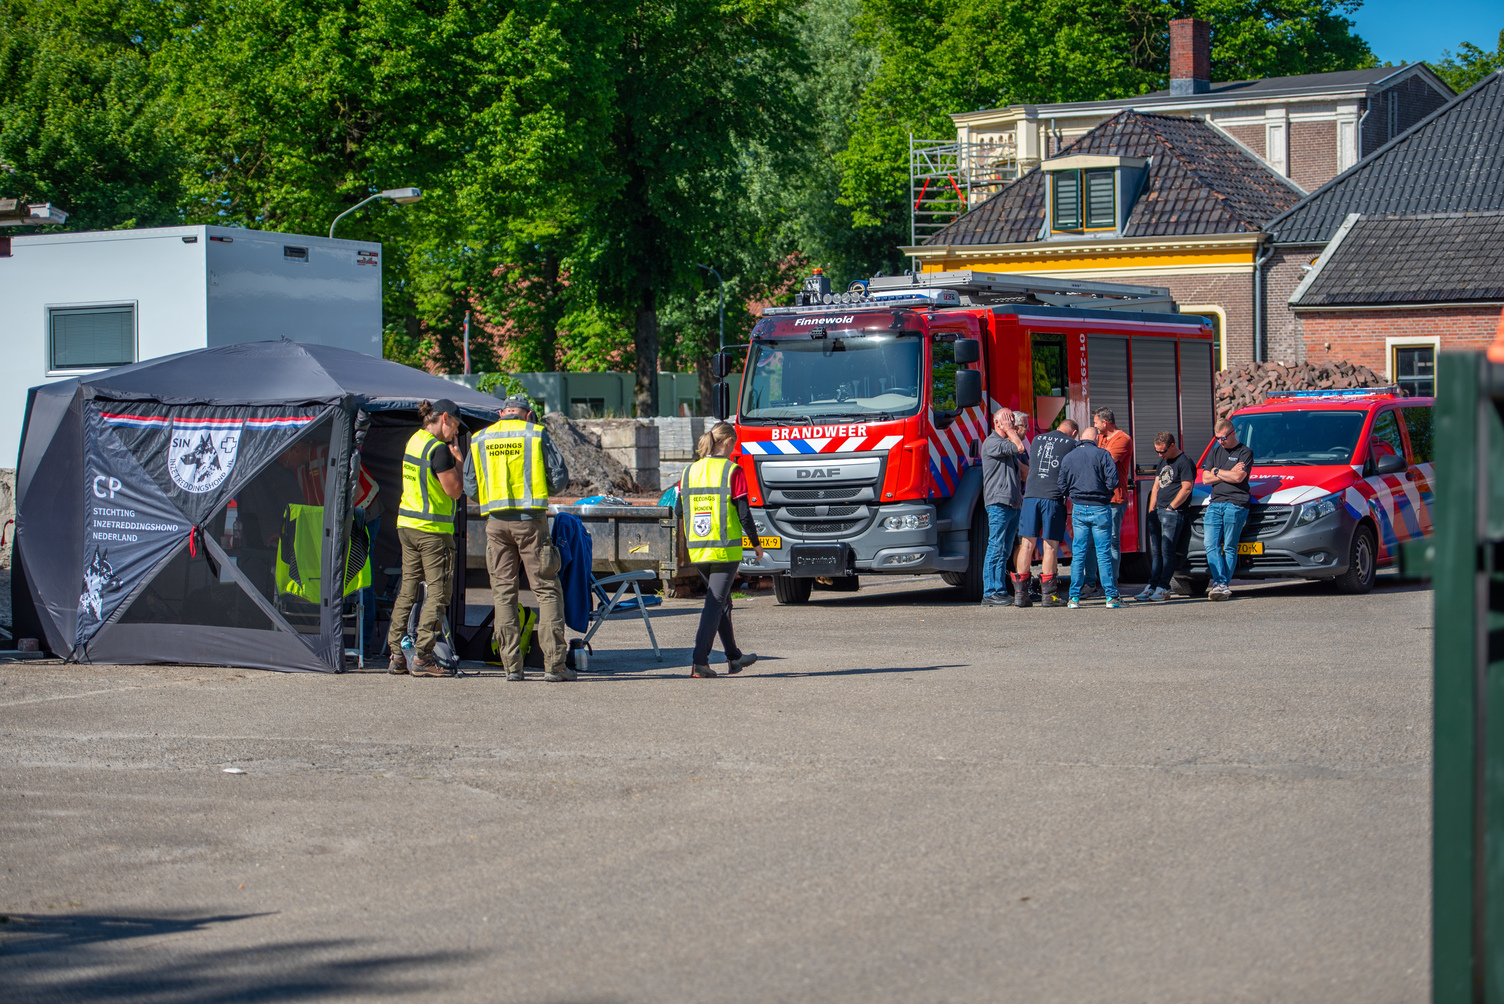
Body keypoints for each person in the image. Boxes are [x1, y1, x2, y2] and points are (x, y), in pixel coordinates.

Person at [466, 394, 572, 681]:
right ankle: (554, 666)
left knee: (504, 594)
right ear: (528, 414)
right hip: (530, 523)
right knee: (547, 589)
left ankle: (512, 666)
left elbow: (470, 486)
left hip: (496, 524)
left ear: (501, 413)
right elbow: (559, 478)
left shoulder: (480, 438)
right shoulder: (535, 433)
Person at [677, 422, 763, 678]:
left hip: (699, 550)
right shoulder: (732, 471)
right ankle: (699, 662)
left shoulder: (689, 471)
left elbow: (679, 511)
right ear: (727, 443)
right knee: (714, 603)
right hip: (725, 550)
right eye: (734, 445)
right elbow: (745, 514)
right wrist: (756, 544)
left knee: (722, 603)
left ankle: (734, 658)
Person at [389, 399, 465, 677]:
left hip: (406, 526)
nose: (455, 434)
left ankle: (397, 654)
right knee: (438, 592)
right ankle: (423, 655)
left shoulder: (414, 441)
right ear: (444, 418)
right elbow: (455, 491)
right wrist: (459, 461)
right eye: (454, 426)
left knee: (408, 588)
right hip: (432, 531)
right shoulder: (440, 452)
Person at [1014, 418, 1079, 606]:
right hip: (1053, 497)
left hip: (1031, 496)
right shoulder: (1072, 444)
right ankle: (1049, 596)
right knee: (1050, 545)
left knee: (1026, 544)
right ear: (1074, 432)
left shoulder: (1037, 439)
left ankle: (1021, 595)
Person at [1058, 427, 1121, 608]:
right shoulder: (1103, 454)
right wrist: (1104, 492)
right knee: (1103, 553)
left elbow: (1061, 485)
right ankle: (1111, 598)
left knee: (1078, 553)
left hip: (1078, 508)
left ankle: (1074, 598)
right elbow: (1113, 481)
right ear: (1097, 438)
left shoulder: (1069, 457)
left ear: (1080, 438)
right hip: (1100, 507)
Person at [1135, 431, 1196, 602]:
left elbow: (1187, 488)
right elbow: (1156, 486)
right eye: (1157, 452)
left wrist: (1171, 507)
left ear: (1172, 445)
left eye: (1163, 451)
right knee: (1156, 552)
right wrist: (1151, 509)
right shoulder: (1163, 460)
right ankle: (1152, 585)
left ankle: (1163, 587)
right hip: (1158, 511)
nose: (1160, 455)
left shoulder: (1185, 462)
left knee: (1167, 551)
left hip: (1173, 512)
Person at [1082, 407, 1133, 597]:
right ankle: (1090, 583)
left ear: (1105, 423)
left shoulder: (1123, 439)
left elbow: (1105, 461)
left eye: (1096, 422)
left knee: (1111, 541)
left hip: (1113, 498)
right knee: (1090, 542)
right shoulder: (1101, 438)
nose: (1094, 426)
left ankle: (1111, 583)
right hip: (1096, 497)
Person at [1201, 418, 1254, 600]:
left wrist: (1217, 471)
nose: (1220, 441)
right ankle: (1220, 583)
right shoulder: (1215, 452)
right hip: (1215, 503)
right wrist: (1226, 472)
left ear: (1232, 433)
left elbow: (1239, 478)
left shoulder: (1245, 452)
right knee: (1210, 544)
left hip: (1236, 503)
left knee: (1230, 546)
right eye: (1217, 438)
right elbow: (1205, 478)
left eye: (1223, 438)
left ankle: (1221, 584)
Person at [979, 409, 1027, 606]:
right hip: (999, 503)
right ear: (998, 423)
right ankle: (990, 592)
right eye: (1008, 421)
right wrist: (1011, 431)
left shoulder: (1004, 444)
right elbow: (1020, 447)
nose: (1013, 425)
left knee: (1005, 550)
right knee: (996, 547)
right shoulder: (993, 443)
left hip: (1011, 502)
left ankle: (999, 589)